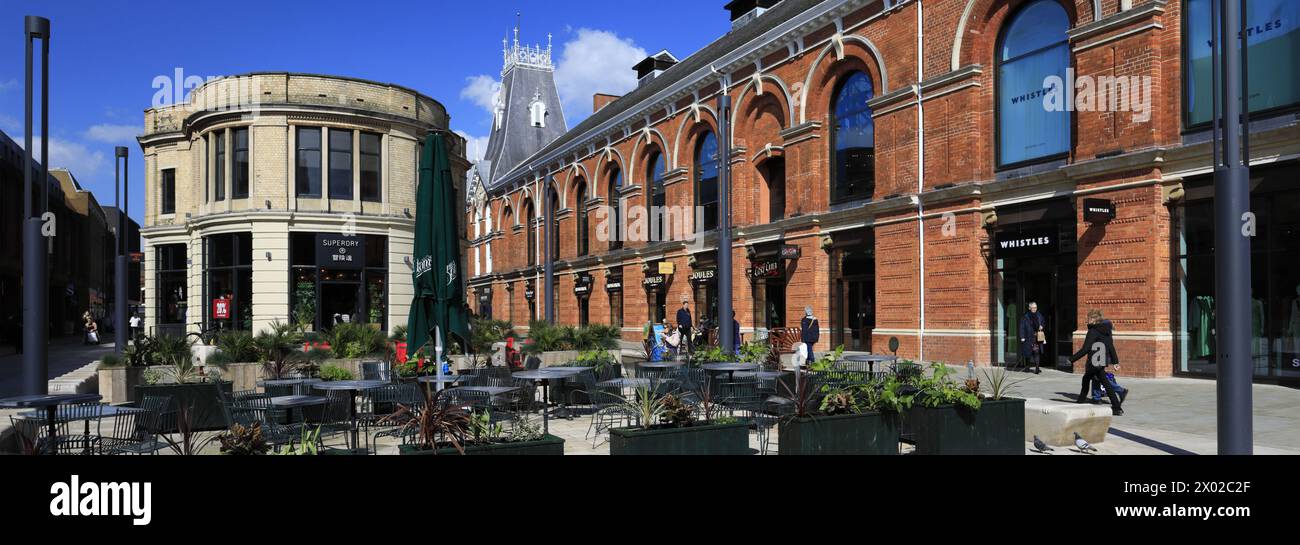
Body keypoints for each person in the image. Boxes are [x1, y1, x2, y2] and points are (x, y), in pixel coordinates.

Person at [1070, 309, 1123, 416]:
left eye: (1088, 318)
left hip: (1094, 362)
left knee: (1087, 380)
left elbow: (1085, 349)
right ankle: (1117, 407)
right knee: (1100, 382)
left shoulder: (1093, 331)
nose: (1087, 321)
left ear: (1093, 320)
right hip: (1101, 361)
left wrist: (1071, 359)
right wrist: (1115, 362)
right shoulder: (1107, 330)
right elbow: (1110, 346)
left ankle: (1080, 402)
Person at [1018, 301, 1047, 374]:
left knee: (1036, 352)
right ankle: (1027, 367)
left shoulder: (1039, 315)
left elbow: (1043, 322)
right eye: (1033, 308)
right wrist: (1022, 336)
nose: (1034, 309)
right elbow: (1022, 327)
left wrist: (1042, 326)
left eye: (1035, 307)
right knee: (1028, 352)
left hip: (1036, 337)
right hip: (1028, 337)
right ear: (1029, 308)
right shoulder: (1025, 316)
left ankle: (1037, 368)